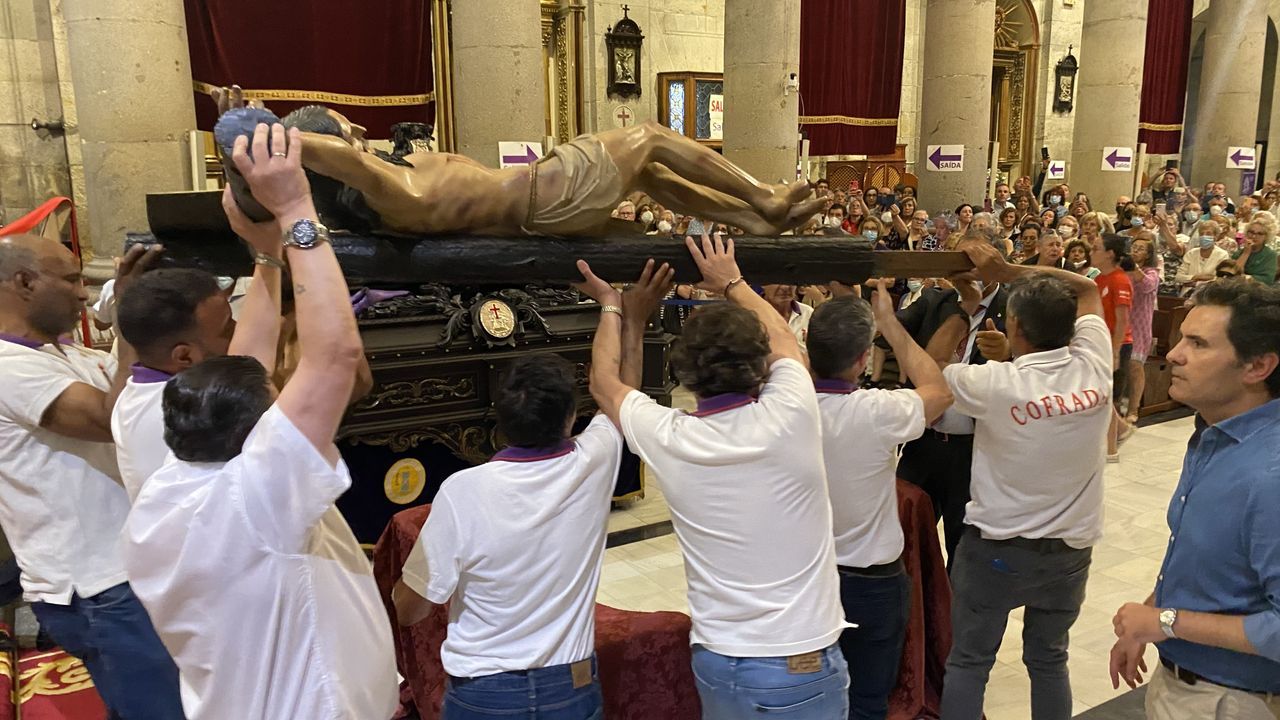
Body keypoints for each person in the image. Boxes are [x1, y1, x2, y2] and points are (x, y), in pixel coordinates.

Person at [121, 122, 398, 719]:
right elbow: (336, 360)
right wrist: (299, 210)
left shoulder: (174, 475)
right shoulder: (253, 498)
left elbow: (244, 364)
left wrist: (268, 255)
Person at [392, 264, 671, 719]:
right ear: (568, 419)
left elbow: (411, 610)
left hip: (484, 693)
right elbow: (622, 390)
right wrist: (616, 309)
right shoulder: (591, 463)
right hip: (571, 685)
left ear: (499, 423)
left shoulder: (463, 491)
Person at [593, 233, 850, 719]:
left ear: (685, 375)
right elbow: (784, 339)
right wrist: (731, 281)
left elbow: (607, 386)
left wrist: (621, 310)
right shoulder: (792, 412)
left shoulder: (672, 436)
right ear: (759, 369)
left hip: (719, 659)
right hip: (798, 658)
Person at [0, 236, 183, 718]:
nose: (85, 294)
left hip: (126, 573)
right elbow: (112, 417)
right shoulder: (6, 367)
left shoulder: (64, 354)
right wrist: (126, 307)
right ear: (24, 282)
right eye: (73, 279)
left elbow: (135, 386)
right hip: (98, 585)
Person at [939, 239, 1113, 720]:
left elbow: (931, 372)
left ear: (1013, 327)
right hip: (1069, 552)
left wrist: (967, 304)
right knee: (1049, 659)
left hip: (998, 548)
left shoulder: (997, 382)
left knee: (970, 663)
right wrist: (1007, 269)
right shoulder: (1095, 364)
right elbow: (1084, 289)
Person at [1109, 279, 1280, 719]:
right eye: (1182, 336)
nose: (1174, 354)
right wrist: (1149, 618)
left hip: (1232, 700)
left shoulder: (1270, 476)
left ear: (1257, 366)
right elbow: (1211, 568)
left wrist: (1166, 622)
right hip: (1184, 682)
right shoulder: (1214, 432)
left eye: (1198, 344)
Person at [264, 103, 822, 238]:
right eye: (347, 129)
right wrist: (274, 133)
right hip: (545, 199)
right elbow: (340, 159)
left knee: (648, 172)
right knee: (650, 135)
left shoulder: (394, 178)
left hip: (543, 190)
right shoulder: (391, 189)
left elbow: (342, 157)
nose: (360, 135)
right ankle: (764, 197)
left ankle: (753, 221)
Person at [807, 282, 953, 719]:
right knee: (869, 701)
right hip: (871, 579)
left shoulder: (783, 407)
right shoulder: (876, 410)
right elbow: (938, 390)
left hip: (807, 579)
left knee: (812, 695)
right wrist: (890, 322)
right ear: (862, 359)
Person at [111, 189, 285, 502]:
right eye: (226, 329)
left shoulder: (145, 387)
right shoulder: (178, 406)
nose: (237, 332)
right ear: (184, 355)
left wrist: (268, 254)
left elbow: (252, 352)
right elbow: (257, 360)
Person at [895, 229, 1009, 569]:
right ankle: (913, 613)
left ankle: (953, 617)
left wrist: (1009, 353)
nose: (966, 271)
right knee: (903, 532)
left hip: (973, 449)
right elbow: (890, 333)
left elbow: (1033, 371)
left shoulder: (1013, 306)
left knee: (963, 547)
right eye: (958, 260)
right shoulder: (936, 301)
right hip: (924, 441)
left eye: (973, 262)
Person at [1092, 234, 1135, 461]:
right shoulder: (1099, 280)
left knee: (1107, 395)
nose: (1092, 251)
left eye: (1096, 248)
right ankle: (1122, 429)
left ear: (1110, 254)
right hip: (1100, 343)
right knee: (1100, 392)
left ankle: (1111, 450)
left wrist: (1115, 351)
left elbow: (1122, 320)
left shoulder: (1120, 280)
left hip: (1116, 343)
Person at [1124, 235, 1160, 425]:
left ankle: (1133, 409)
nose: (1135, 251)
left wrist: (1133, 267)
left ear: (1148, 255)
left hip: (1139, 325)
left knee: (1135, 367)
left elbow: (1146, 285)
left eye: (1140, 249)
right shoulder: (1123, 270)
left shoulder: (1152, 272)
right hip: (1121, 322)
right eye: (1134, 247)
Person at [1174, 221, 1232, 292]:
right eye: (1201, 234)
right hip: (1187, 293)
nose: (1204, 236)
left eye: (1208, 234)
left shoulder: (1222, 255)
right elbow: (1179, 277)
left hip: (1210, 294)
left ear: (1216, 236)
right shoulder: (1191, 253)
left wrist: (1194, 283)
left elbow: (1219, 280)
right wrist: (1197, 277)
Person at [761, 284, 814, 348]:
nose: (785, 287)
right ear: (763, 284)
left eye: (789, 281)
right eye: (777, 281)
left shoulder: (808, 313)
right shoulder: (750, 315)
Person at [1233, 211, 1278, 285]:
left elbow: (1267, 279)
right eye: (1251, 232)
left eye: (1259, 234)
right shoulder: (1239, 251)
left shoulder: (1270, 255)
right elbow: (1233, 273)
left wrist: (1244, 278)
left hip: (1258, 291)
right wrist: (1246, 253)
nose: (1253, 236)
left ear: (1266, 237)